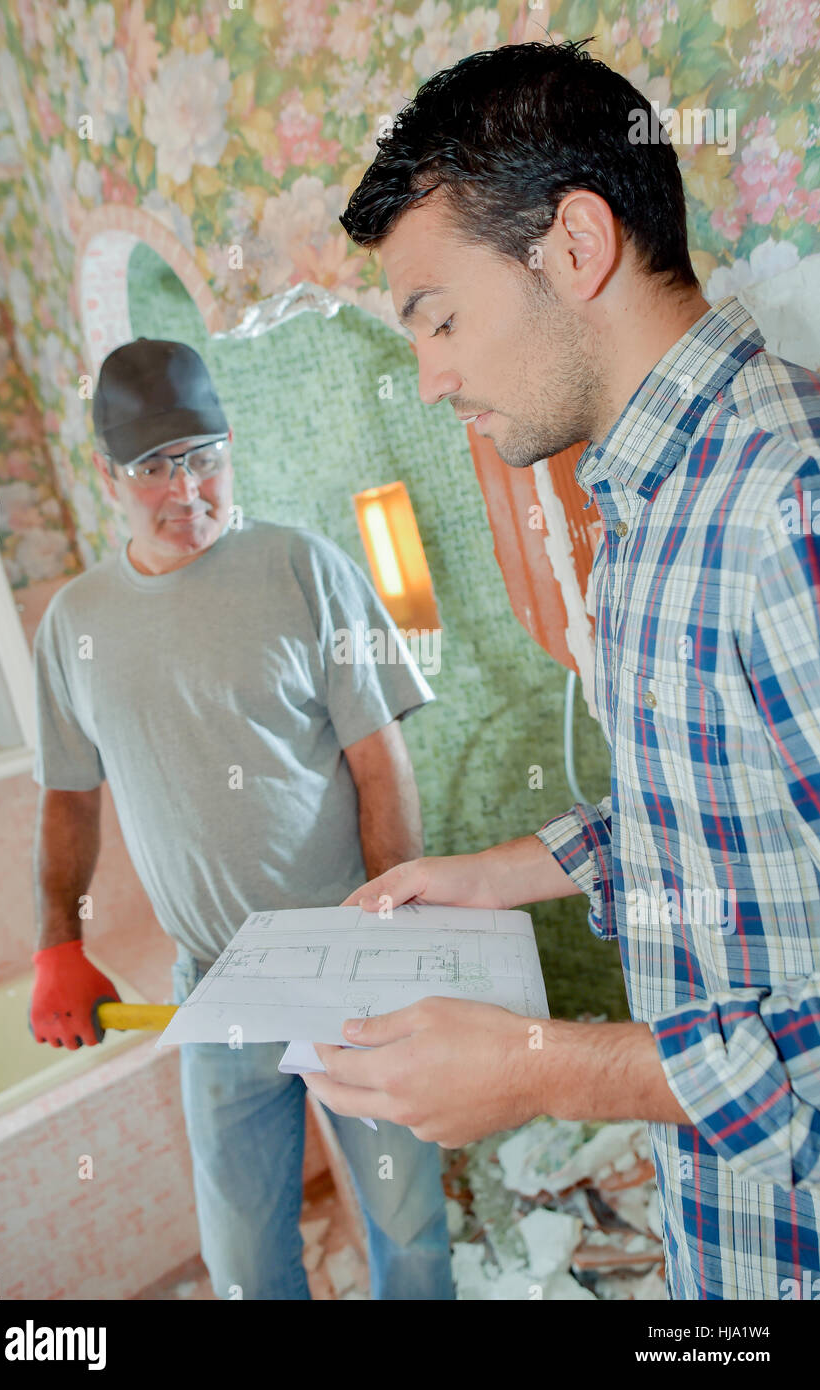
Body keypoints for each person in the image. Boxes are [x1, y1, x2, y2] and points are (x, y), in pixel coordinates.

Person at [303, 40, 820, 1300]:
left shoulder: (783, 509)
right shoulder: (648, 500)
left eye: (438, 317)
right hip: (726, 1239)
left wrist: (541, 1063)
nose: (429, 377)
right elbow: (713, 817)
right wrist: (489, 877)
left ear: (575, 246)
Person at [28, 337, 454, 1301]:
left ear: (230, 446)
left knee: (411, 1230)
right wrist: (57, 940)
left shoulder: (302, 567)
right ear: (106, 473)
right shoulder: (75, 623)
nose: (187, 491)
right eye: (152, 468)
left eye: (205, 456)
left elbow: (378, 760)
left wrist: (387, 933)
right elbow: (68, 795)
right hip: (212, 984)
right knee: (245, 1264)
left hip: (347, 966)